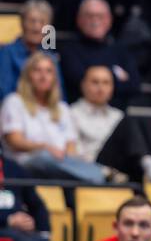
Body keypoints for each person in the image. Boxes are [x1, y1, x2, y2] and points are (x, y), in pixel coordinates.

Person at [68, 66, 151, 185]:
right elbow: (74, 155)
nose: (101, 88)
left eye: (106, 83)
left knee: (143, 119)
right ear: (83, 85)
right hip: (96, 167)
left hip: (123, 166)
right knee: (129, 121)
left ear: (112, 87)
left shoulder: (117, 114)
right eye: (95, 82)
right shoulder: (72, 113)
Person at [1, 53, 103, 184]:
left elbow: (71, 146)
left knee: (78, 159)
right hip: (26, 163)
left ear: (54, 77)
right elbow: (14, 141)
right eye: (37, 70)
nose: (43, 76)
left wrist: (68, 158)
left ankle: (91, 174)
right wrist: (44, 147)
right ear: (27, 75)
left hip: (60, 163)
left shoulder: (62, 108)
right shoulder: (14, 102)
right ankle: (96, 175)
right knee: (45, 157)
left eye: (48, 71)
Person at [59, 0, 141, 108]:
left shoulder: (121, 50)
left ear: (109, 20)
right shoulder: (69, 50)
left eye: (100, 16)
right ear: (79, 19)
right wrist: (116, 78)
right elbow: (78, 82)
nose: (95, 21)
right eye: (89, 16)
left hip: (117, 116)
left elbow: (134, 85)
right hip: (78, 116)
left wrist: (94, 80)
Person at [0, 155, 72, 241]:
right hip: (4, 228)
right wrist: (8, 220)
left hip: (22, 230)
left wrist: (44, 232)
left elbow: (36, 204)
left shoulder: (13, 167)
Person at [0, 0, 61, 100]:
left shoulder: (51, 57)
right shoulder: (6, 53)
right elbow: (4, 94)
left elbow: (59, 96)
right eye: (32, 21)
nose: (36, 27)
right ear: (22, 23)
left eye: (42, 22)